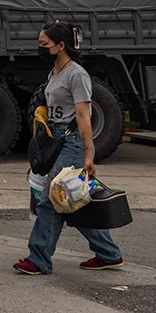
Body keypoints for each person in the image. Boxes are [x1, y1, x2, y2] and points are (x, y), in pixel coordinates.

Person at [14, 22, 124, 275]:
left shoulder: (77, 74)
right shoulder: (55, 72)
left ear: (61, 45)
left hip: (73, 143)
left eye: (44, 44)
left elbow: (84, 116)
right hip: (57, 140)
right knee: (75, 201)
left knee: (52, 200)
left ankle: (39, 258)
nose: (40, 48)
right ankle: (109, 254)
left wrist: (88, 154)